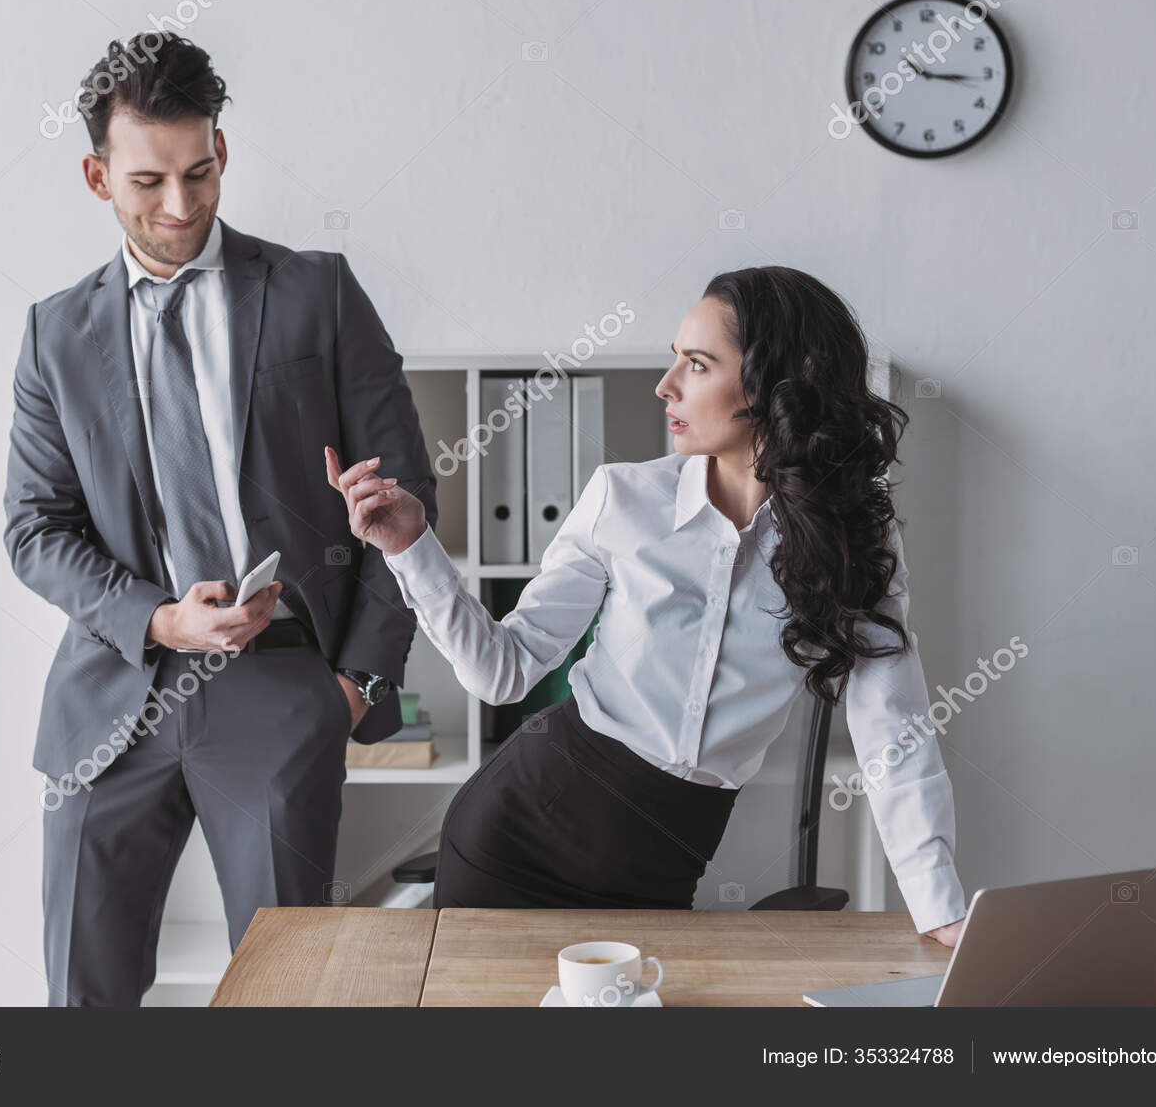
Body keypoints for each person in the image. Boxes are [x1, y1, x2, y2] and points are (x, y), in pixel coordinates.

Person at [324, 266, 967, 946]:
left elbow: (894, 731)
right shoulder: (623, 499)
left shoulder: (852, 541)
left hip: (661, 865)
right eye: (674, 359)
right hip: (515, 838)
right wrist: (411, 546)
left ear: (777, 384)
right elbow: (502, 672)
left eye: (698, 365)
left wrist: (942, 910)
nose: (667, 385)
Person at [5, 32, 437, 1006]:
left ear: (222, 150)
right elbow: (34, 528)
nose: (180, 204)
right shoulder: (54, 334)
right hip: (110, 697)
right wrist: (159, 619)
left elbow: (405, 494)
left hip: (280, 686)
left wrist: (356, 683)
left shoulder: (317, 293)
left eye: (199, 172)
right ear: (97, 176)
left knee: (285, 997)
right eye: (148, 181)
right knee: (83, 999)